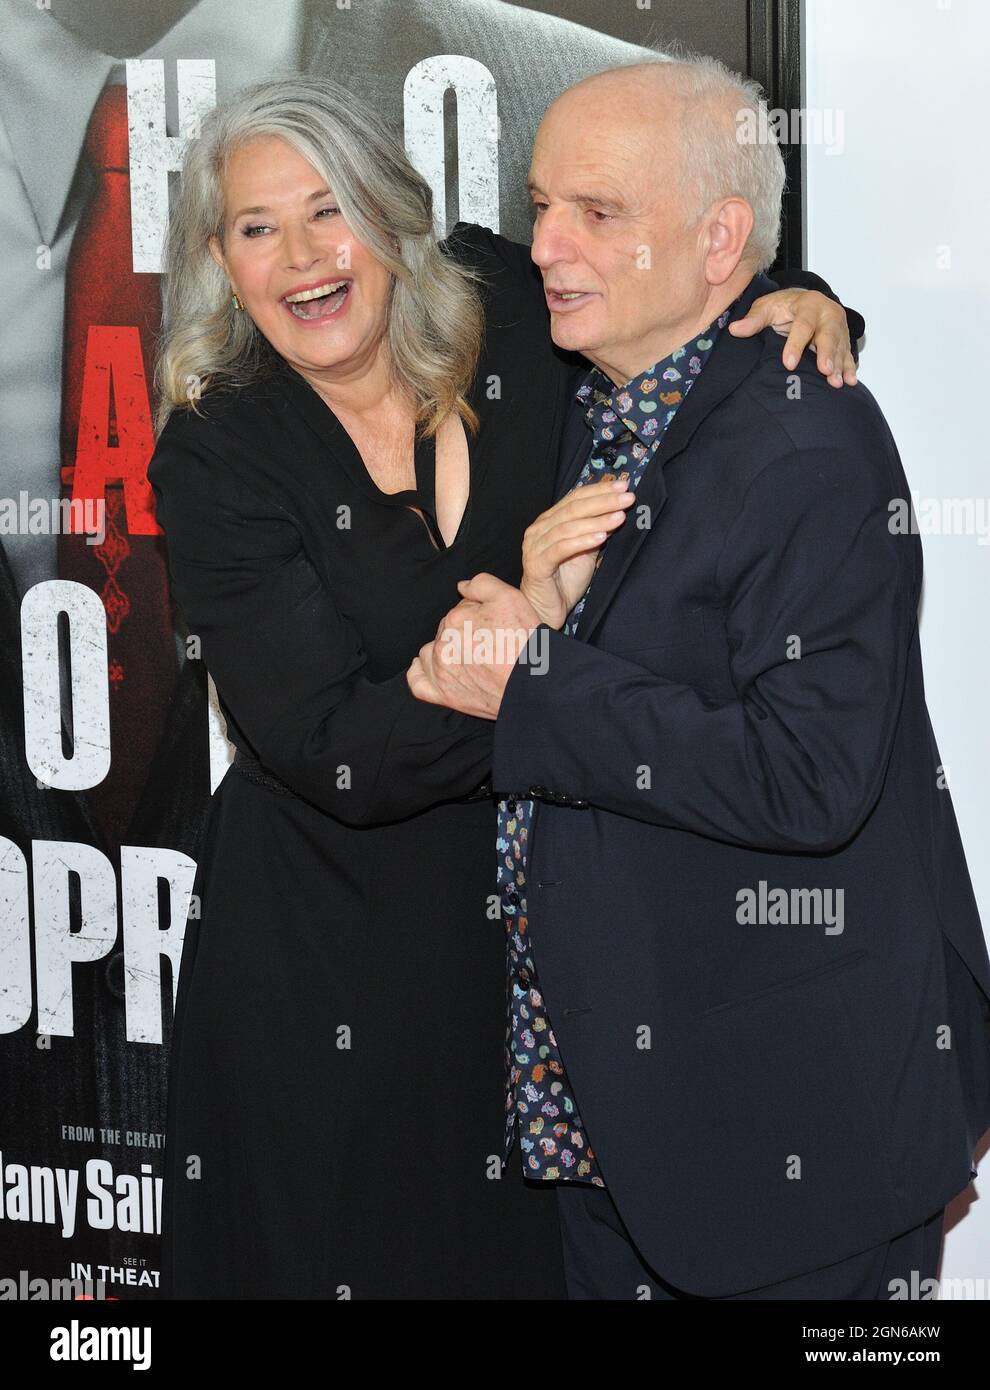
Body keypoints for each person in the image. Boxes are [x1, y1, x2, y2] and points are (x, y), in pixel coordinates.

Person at [148, 73, 859, 1298]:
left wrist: (807, 302)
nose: (306, 258)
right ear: (220, 259)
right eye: (258, 229)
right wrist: (532, 622)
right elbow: (342, 752)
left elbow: (675, 307)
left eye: (331, 211)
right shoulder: (219, 452)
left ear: (392, 213)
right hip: (323, 969)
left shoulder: (509, 306)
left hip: (540, 966)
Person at [409, 54, 990, 1300]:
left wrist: (535, 676)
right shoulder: (592, 384)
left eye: (596, 214)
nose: (547, 245)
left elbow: (809, 780)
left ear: (721, 241)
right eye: (541, 204)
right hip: (613, 1125)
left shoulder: (807, 440)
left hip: (785, 1146)